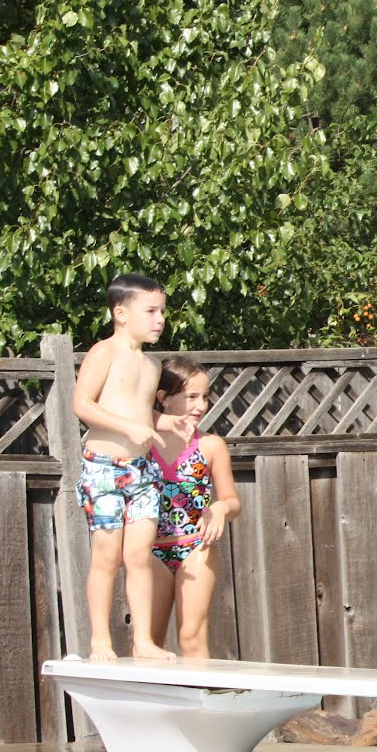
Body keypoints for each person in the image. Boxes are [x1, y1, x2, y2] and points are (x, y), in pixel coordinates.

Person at [72, 273, 189, 661]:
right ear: (121, 313)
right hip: (105, 469)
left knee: (139, 557)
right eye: (151, 311)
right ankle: (100, 641)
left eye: (163, 312)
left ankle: (143, 641)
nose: (160, 319)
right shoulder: (103, 352)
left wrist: (165, 422)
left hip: (143, 472)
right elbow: (82, 405)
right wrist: (128, 427)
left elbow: (140, 413)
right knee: (107, 557)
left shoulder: (152, 365)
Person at [148, 356, 241, 659]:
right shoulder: (143, 443)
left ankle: (199, 689)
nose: (201, 405)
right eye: (191, 397)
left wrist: (220, 508)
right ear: (163, 397)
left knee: (191, 636)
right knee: (148, 640)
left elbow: (232, 501)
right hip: (151, 550)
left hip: (196, 547)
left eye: (205, 397)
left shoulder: (211, 445)